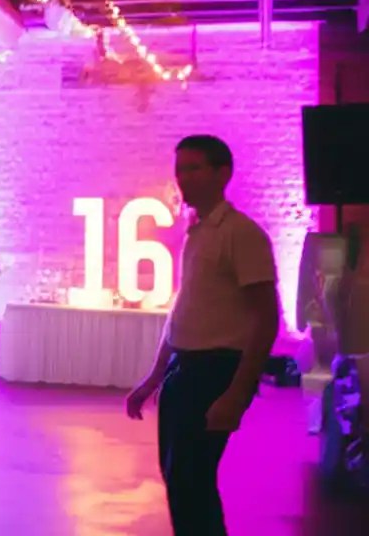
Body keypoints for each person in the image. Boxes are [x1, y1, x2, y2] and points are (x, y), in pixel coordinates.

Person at [125, 135, 280, 536]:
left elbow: (266, 317)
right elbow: (183, 311)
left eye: (194, 168)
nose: (183, 178)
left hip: (215, 371)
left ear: (222, 173)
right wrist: (154, 377)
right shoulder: (197, 232)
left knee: (192, 481)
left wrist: (237, 393)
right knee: (179, 479)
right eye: (180, 169)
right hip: (185, 370)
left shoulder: (241, 234)